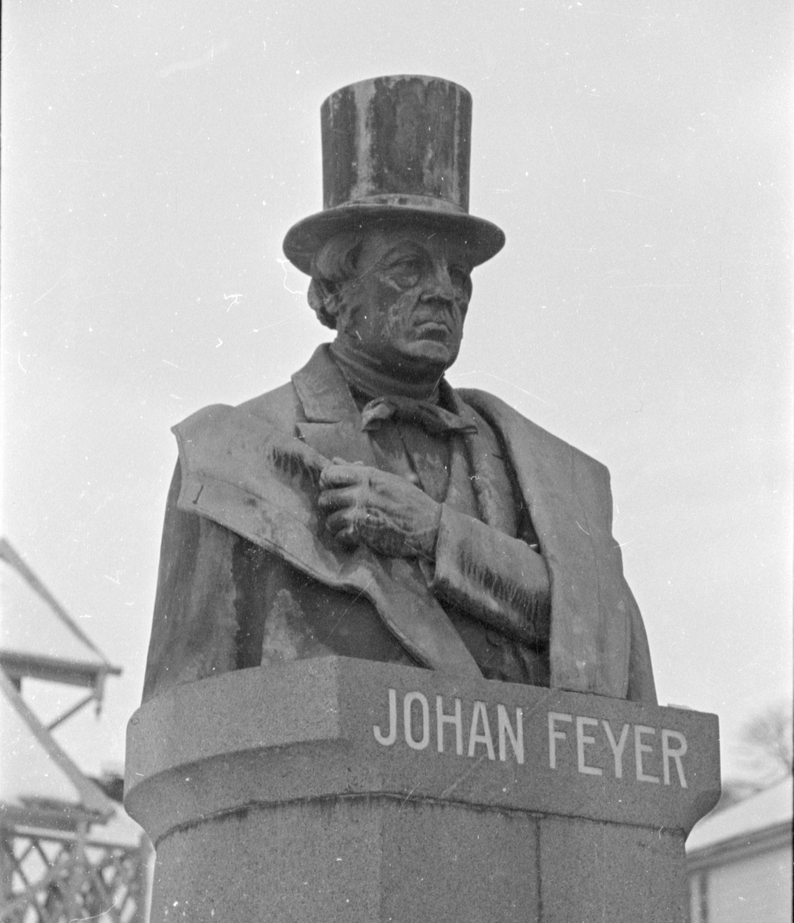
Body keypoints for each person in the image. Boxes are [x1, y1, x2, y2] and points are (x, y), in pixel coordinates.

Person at [143, 76, 655, 705]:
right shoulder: (234, 455)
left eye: (458, 273)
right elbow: (183, 718)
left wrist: (436, 534)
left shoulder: (546, 471)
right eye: (409, 268)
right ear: (332, 293)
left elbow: (610, 635)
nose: (444, 291)